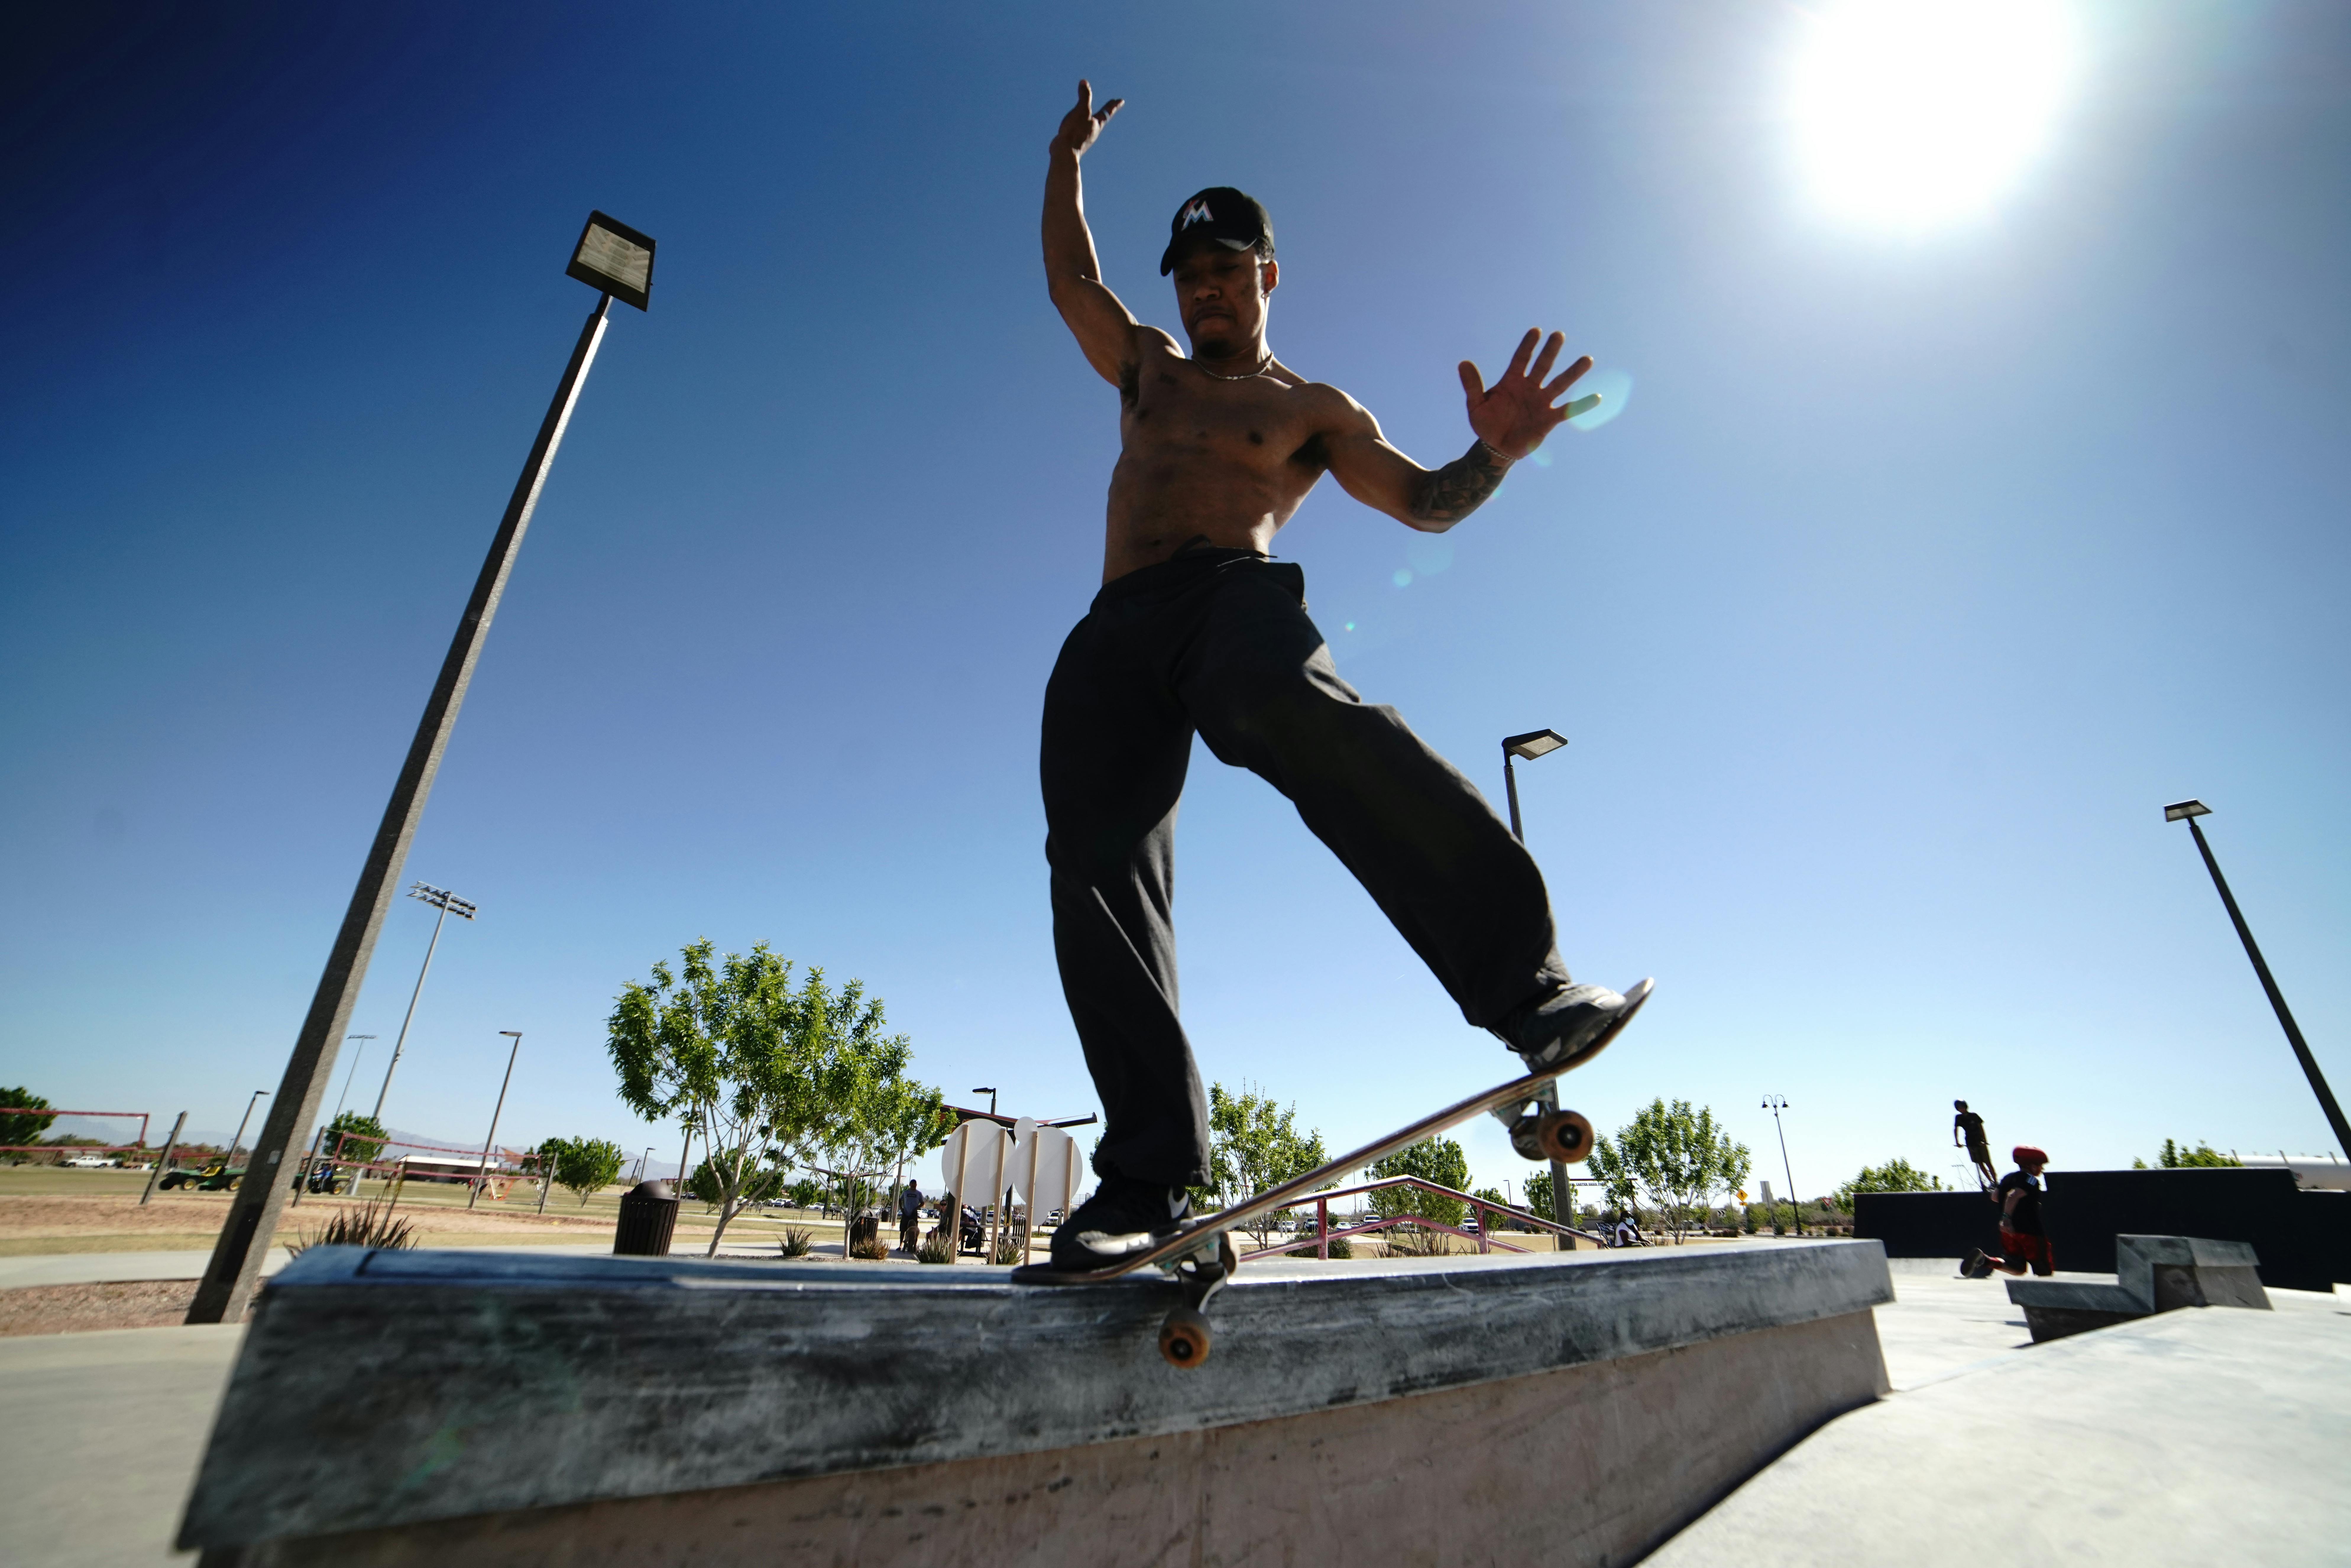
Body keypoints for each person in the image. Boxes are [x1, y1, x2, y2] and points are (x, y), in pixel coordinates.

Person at [1036, 82, 1647, 1273]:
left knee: (1311, 720)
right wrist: (1064, 157)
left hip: (1231, 599)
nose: (1205, 291)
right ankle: (1147, 1182)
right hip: (1115, 628)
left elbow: (1422, 503)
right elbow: (1071, 279)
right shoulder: (1147, 370)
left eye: (1226, 270)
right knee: (1095, 869)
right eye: (1188, 276)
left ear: (1267, 274)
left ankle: (1532, 997)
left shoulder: (1309, 408)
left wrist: (1492, 454)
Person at [1963, 1146, 2053, 1278]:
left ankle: (1986, 1261)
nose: (2042, 1169)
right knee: (2044, 1270)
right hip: (2030, 1232)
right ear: (2032, 1166)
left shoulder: (2008, 1178)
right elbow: (2013, 1196)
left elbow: (1995, 1197)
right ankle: (2046, 1289)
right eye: (2040, 1165)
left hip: (2009, 1233)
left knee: (2017, 1268)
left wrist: (2026, 1205)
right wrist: (2007, 1219)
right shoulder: (2031, 1180)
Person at [1954, 1099, 1996, 1190]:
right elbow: (1956, 1129)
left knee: (1988, 1162)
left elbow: (1981, 1128)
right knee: (1980, 1163)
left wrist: (1985, 1141)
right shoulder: (1959, 1118)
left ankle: (1996, 1183)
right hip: (1970, 1143)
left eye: (1963, 1107)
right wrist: (1957, 1142)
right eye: (1960, 1108)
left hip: (1980, 1142)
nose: (1962, 1109)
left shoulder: (1974, 1116)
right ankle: (1991, 1182)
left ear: (1966, 1107)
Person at [897, 1177, 923, 1253]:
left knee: (914, 1231)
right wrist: (902, 1208)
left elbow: (923, 1203)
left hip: (914, 1214)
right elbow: (900, 1199)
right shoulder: (905, 1192)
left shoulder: (919, 1193)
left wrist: (917, 1208)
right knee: (903, 1230)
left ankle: (913, 1247)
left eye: (915, 1184)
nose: (913, 1185)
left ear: (916, 1185)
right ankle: (901, 1245)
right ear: (910, 1185)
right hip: (906, 1213)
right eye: (912, 1184)